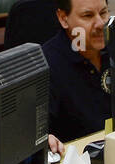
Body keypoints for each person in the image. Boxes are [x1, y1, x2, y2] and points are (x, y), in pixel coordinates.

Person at [42, 0, 111, 144]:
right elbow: (37, 133)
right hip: (77, 160)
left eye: (103, 13)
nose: (100, 24)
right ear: (63, 18)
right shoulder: (47, 64)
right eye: (88, 15)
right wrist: (45, 139)